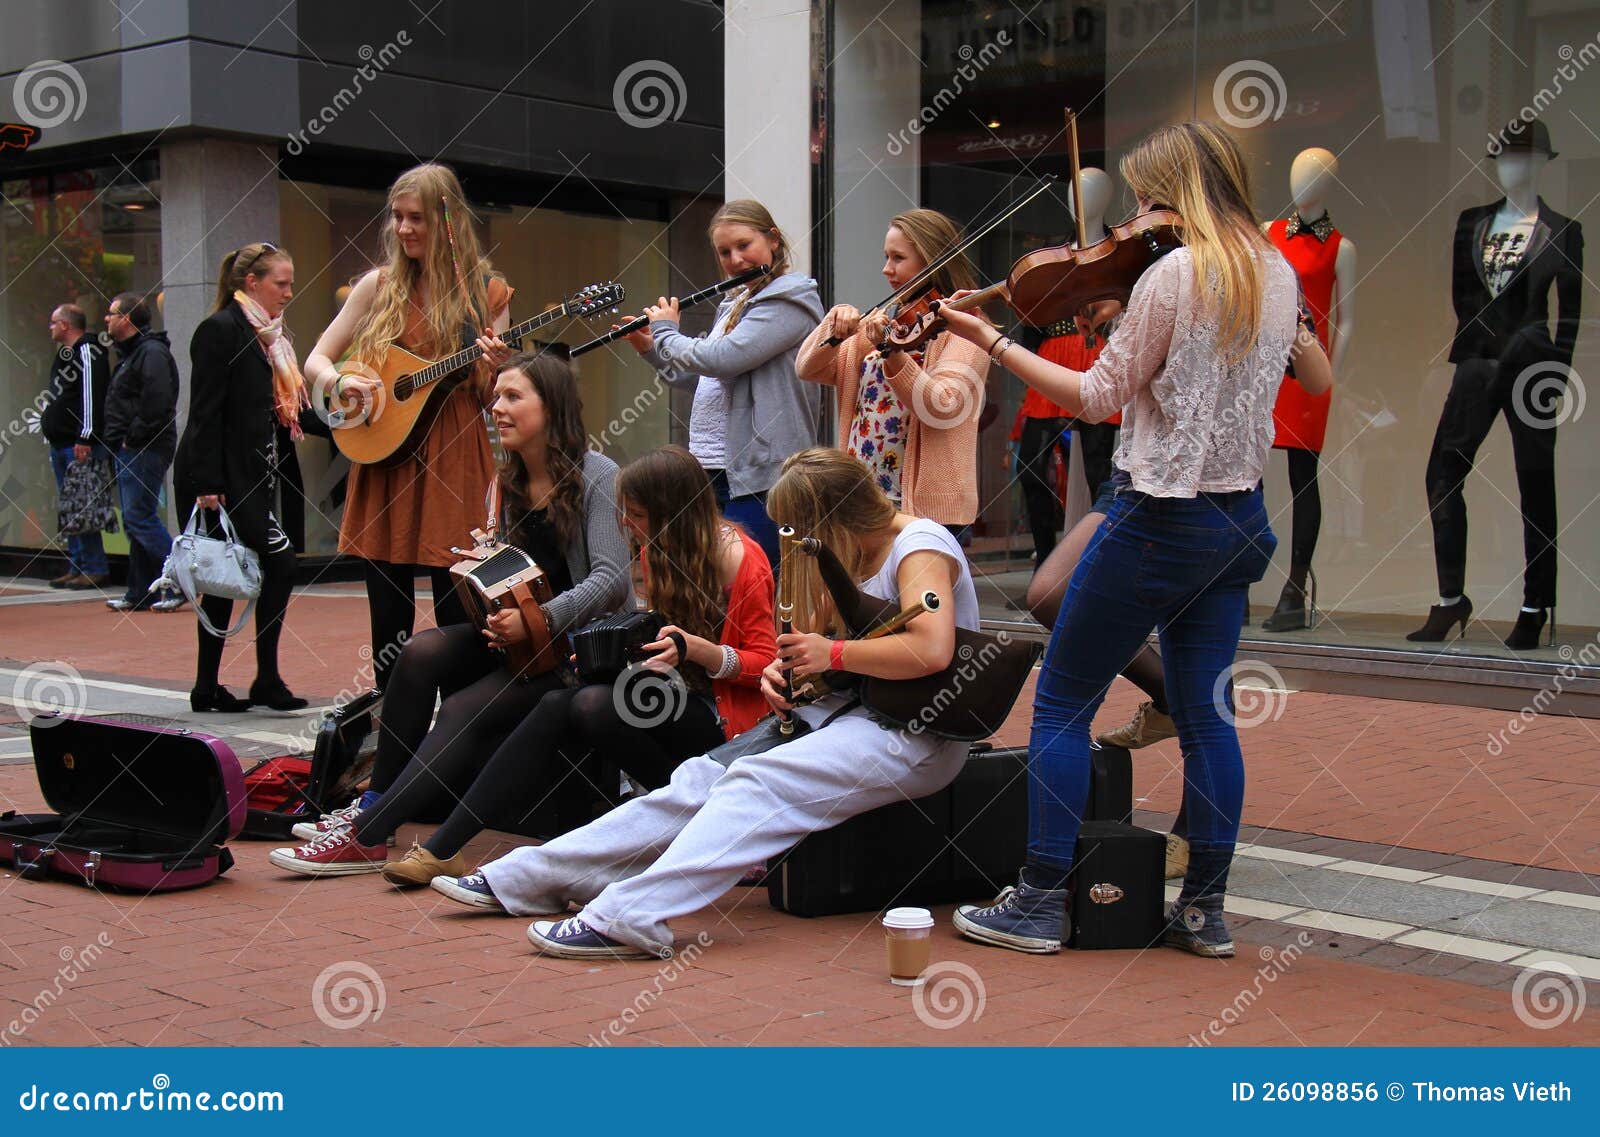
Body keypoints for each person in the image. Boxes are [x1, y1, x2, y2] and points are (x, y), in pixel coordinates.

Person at [938, 122, 1329, 959]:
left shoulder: (1177, 273)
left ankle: (1040, 900)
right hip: (1239, 520)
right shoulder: (1273, 269)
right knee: (1206, 719)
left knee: (1064, 701)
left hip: (1157, 517)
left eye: (1151, 195)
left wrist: (994, 341)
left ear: (1176, 192)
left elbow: (1095, 395)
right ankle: (1204, 912)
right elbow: (1309, 374)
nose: (1141, 213)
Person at [427, 448, 979, 962]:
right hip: (852, 716)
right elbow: (838, 664)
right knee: (697, 778)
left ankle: (631, 915)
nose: (799, 541)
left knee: (756, 782)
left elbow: (930, 649)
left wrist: (828, 652)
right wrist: (788, 682)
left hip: (917, 734)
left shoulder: (919, 544)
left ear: (830, 518)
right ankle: (535, 876)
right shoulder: (849, 550)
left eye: (801, 528)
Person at [268, 350, 631, 876]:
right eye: (497, 397)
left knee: (462, 707)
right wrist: (484, 578)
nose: (497, 408)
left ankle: (366, 835)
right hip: (523, 641)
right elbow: (514, 575)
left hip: (576, 649)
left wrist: (543, 617)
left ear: (550, 407)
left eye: (513, 397)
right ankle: (376, 808)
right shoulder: (505, 484)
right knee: (420, 650)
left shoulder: (598, 474)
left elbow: (611, 581)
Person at [368, 444, 778, 887]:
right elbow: (665, 644)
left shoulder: (741, 559)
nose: (627, 524)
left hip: (727, 722)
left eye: (636, 515)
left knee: (585, 706)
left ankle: (413, 840)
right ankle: (442, 848)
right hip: (678, 697)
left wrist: (699, 651)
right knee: (567, 704)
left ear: (673, 513)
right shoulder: (655, 548)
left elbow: (767, 665)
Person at [304, 162, 514, 688]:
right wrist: (339, 383)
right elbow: (317, 360)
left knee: (458, 606)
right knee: (387, 614)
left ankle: (456, 734)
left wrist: (495, 365)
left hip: (454, 454)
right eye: (397, 217)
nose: (403, 230)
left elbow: (494, 399)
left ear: (447, 222)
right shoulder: (377, 287)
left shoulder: (486, 294)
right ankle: (392, 726)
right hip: (385, 454)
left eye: (415, 218)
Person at [621, 199, 823, 567]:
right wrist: (651, 348)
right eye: (724, 252)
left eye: (744, 246)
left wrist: (666, 330)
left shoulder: (790, 301)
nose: (735, 260)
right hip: (714, 465)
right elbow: (703, 378)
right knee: (719, 580)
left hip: (764, 472)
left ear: (773, 240)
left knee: (759, 578)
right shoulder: (734, 304)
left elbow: (723, 357)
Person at [173, 242, 309, 713]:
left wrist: (351, 420)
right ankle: (264, 680)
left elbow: (284, 412)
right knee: (280, 565)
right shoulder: (220, 330)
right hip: (219, 482)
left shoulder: (267, 336)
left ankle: (207, 687)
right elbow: (204, 413)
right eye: (282, 282)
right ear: (251, 282)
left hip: (252, 478)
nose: (289, 292)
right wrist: (207, 486)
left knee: (222, 579)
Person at [796, 209, 990, 534]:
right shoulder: (885, 323)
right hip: (864, 496)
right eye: (886, 256)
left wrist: (892, 354)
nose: (887, 269)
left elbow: (942, 405)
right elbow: (807, 367)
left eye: (898, 258)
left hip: (925, 509)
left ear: (933, 261)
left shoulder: (967, 329)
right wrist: (833, 323)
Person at [101, 292, 184, 613]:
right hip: (134, 447)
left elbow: (158, 401)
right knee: (136, 520)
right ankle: (140, 591)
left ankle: (178, 582)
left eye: (112, 314)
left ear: (126, 319)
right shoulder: (136, 354)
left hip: (144, 448)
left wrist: (132, 437)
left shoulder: (150, 353)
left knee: (139, 517)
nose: (107, 319)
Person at [41, 303, 112, 589]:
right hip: (61, 442)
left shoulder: (87, 350)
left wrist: (86, 435)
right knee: (71, 506)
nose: (50, 327)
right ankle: (78, 563)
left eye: (53, 322)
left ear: (66, 325)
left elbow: (91, 395)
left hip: (77, 443)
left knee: (83, 504)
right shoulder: (66, 354)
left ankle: (95, 566)